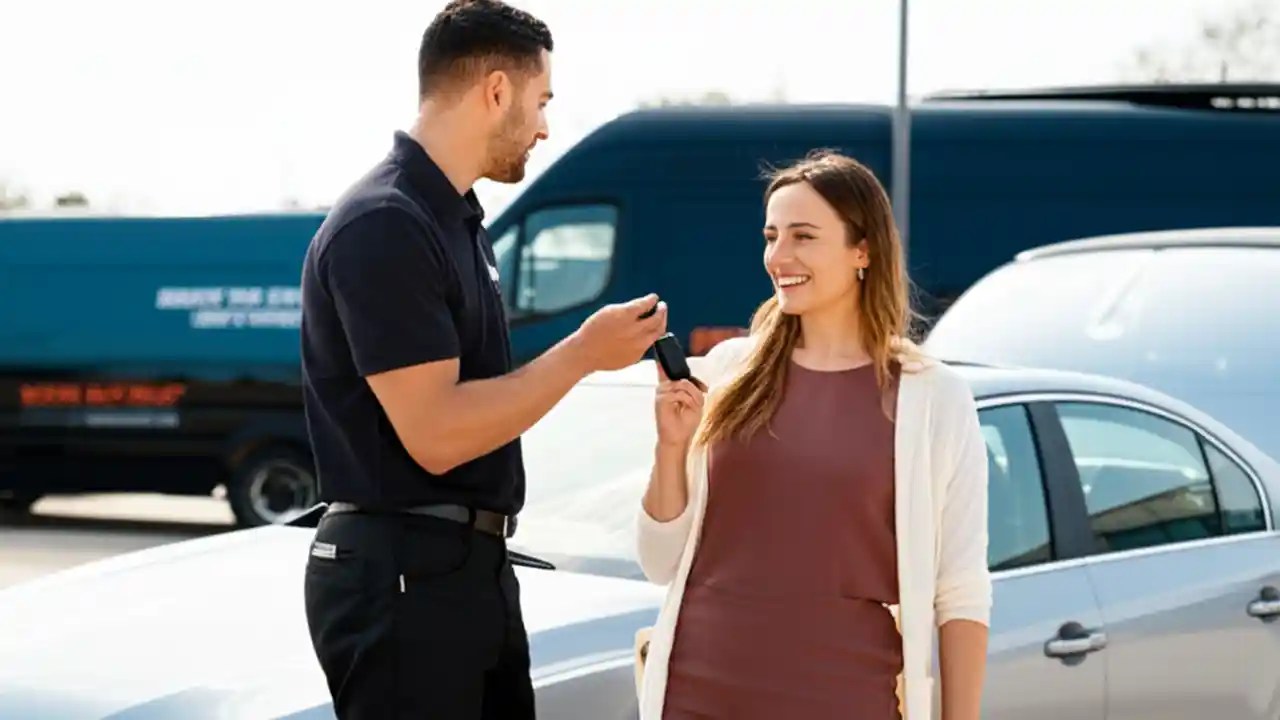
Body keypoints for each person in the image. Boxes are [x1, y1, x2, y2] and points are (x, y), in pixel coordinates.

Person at [297, 1, 669, 718]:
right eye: (542, 100)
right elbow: (437, 434)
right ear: (497, 90)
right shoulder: (387, 222)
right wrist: (585, 353)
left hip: (461, 572)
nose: (545, 126)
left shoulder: (454, 221)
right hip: (405, 576)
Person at [633, 150, 991, 720]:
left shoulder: (933, 398)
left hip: (844, 696)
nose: (779, 256)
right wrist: (671, 448)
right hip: (698, 693)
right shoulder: (726, 372)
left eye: (803, 236)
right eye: (771, 236)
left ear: (862, 250)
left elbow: (961, 590)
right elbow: (659, 562)